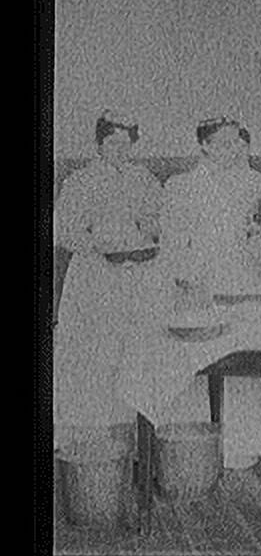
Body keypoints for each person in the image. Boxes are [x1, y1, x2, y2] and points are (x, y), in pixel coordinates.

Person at [158, 116, 261, 469]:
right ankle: (195, 448)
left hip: (244, 278)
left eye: (237, 142)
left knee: (243, 357)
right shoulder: (182, 186)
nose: (233, 149)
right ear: (204, 146)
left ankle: (243, 445)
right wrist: (185, 278)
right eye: (223, 143)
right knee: (200, 360)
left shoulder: (255, 183)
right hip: (200, 281)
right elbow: (172, 240)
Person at [54, 111, 165, 451]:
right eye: (112, 142)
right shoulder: (81, 180)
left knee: (133, 348)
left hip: (136, 271)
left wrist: (150, 227)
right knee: (95, 349)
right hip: (94, 274)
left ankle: (133, 434)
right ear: (99, 144)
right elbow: (63, 229)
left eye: (126, 142)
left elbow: (161, 221)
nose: (120, 148)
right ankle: (89, 434)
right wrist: (95, 243)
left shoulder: (143, 177)